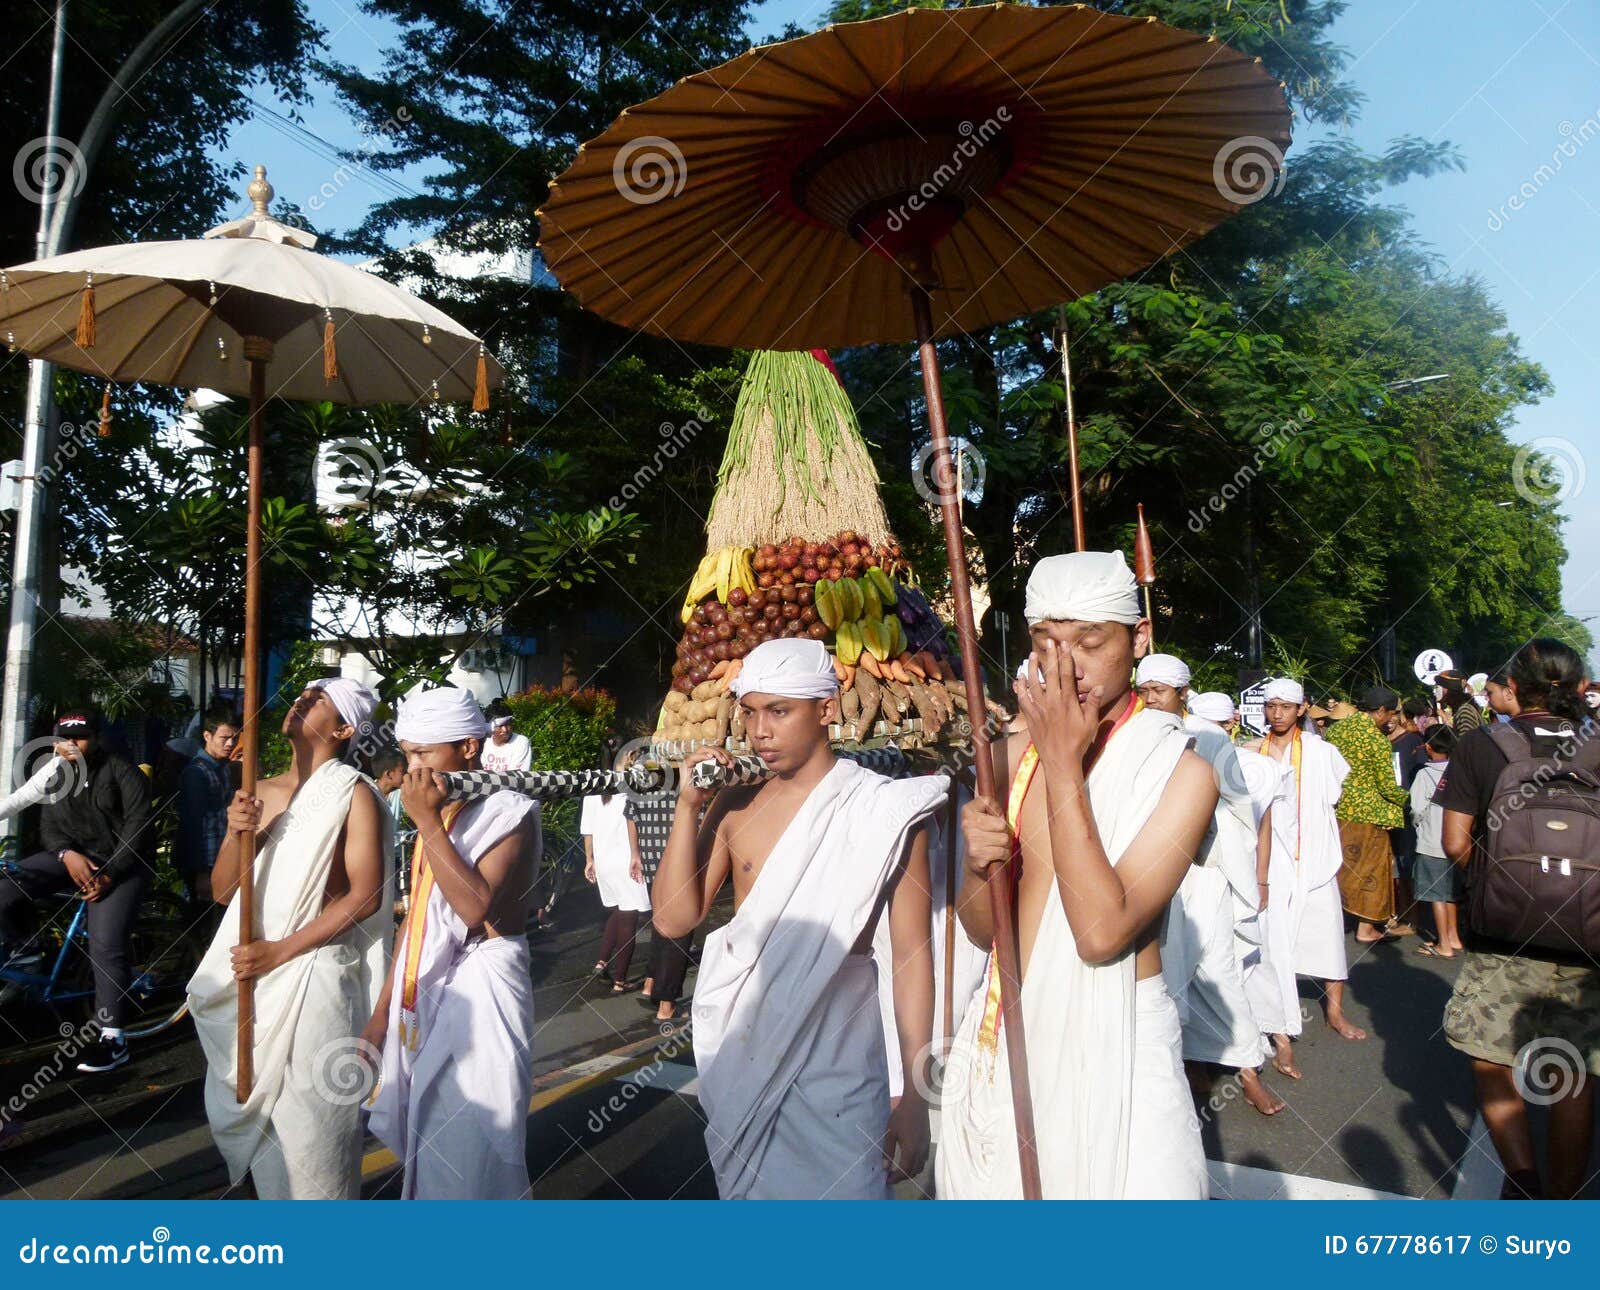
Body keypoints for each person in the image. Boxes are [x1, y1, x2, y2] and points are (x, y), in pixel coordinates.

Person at [939, 551, 1216, 1199]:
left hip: (1121, 1041)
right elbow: (986, 931)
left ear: (1139, 638)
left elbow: (1100, 932)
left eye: (1091, 641)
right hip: (1017, 1030)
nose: (1066, 664)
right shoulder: (1007, 757)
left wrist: (1063, 762)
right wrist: (976, 868)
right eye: (1045, 642)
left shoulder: (1181, 770)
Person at [653, 638, 944, 1200]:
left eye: (779, 711)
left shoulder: (885, 809)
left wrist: (915, 1093)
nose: (759, 730)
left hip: (841, 1059)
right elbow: (671, 920)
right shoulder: (734, 805)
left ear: (827, 709)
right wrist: (688, 806)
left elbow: (911, 956)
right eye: (751, 711)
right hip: (746, 1045)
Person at [187, 679, 392, 1200]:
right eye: (301, 695)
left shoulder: (355, 793)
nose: (301, 700)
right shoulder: (258, 792)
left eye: (318, 700)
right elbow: (222, 892)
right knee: (271, 1145)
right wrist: (240, 833)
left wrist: (280, 950)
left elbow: (365, 896)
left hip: (316, 974)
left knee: (315, 1139)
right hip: (257, 979)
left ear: (344, 728)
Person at [1435, 638, 1598, 1200]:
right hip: (1589, 937)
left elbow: (1454, 840)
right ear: (1580, 689)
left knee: (1489, 1052)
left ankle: (1522, 1179)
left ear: (1513, 687)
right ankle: (1563, 1203)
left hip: (1505, 930)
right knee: (1574, 1072)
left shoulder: (1485, 743)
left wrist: (1501, 884)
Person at [365, 687, 542, 1200]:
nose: (410, 768)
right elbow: (417, 917)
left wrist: (424, 821)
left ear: (469, 747)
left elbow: (473, 908)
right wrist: (382, 1012)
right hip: (429, 990)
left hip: (485, 988)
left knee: (474, 1144)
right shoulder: (439, 813)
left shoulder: (510, 810)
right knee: (431, 1142)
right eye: (407, 754)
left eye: (423, 753)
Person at [0, 711, 154, 1074]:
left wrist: (110, 873)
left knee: (105, 943)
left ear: (97, 738)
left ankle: (113, 1039)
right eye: (65, 739)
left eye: (81, 738)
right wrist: (66, 855)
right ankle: (25, 952)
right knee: (7, 886)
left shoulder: (121, 769)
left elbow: (138, 826)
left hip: (122, 865)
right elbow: (49, 829)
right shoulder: (55, 774)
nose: (73, 745)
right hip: (74, 858)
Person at [1179, 689, 1286, 1115]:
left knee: (1222, 973)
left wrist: (1258, 880)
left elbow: (1257, 823)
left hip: (1215, 882)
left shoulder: (1249, 767)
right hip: (1170, 886)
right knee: (1173, 980)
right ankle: (1190, 1065)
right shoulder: (1166, 756)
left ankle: (1247, 1071)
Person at [1248, 678, 1363, 1074]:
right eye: (1270, 706)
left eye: (1285, 706)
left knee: (1326, 929)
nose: (1276, 713)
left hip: (1313, 855)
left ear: (1302, 709)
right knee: (1270, 938)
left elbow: (1334, 795)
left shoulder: (1322, 752)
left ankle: (1335, 1012)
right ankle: (1274, 1015)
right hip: (1271, 860)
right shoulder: (1251, 751)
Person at [1325, 685, 1409, 944]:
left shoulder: (1335, 730)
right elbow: (1386, 785)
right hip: (1370, 816)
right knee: (1372, 872)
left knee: (1342, 869)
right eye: (1392, 713)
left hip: (1338, 811)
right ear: (1381, 711)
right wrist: (1408, 799)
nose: (1393, 718)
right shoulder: (1376, 739)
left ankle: (1337, 920)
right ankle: (1366, 929)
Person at [581, 757, 651, 994]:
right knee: (629, 919)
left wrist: (589, 860)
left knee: (619, 912)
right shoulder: (630, 788)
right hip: (627, 861)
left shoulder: (593, 791)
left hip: (604, 863)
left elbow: (586, 830)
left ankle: (602, 962)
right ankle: (621, 980)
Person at [628, 783, 691, 1024]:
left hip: (652, 859)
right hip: (680, 864)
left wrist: (635, 853)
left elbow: (630, 814)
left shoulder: (644, 771)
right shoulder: (689, 776)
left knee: (661, 924)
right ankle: (667, 1005)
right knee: (680, 933)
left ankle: (650, 982)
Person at [174, 706, 240, 905]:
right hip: (202, 862)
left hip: (218, 856)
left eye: (235, 738)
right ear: (207, 736)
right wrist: (200, 873)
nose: (231, 743)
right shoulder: (197, 773)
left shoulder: (222, 768)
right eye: (224, 738)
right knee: (200, 920)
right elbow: (193, 826)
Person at [1410, 726, 1461, 959]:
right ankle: (1453, 937)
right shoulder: (1459, 772)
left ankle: (1444, 945)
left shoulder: (1424, 774)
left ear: (1428, 747)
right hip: (1457, 840)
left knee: (1436, 895)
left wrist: (1416, 823)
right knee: (1450, 893)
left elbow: (1417, 809)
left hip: (1432, 842)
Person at [481, 700, 532, 774]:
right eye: (500, 726)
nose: (505, 730)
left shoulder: (520, 742)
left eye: (508, 724)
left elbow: (513, 777)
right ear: (490, 727)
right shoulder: (484, 743)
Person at [1436, 669, 1482, 737]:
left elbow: (1468, 742)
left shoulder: (1465, 710)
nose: (1435, 691)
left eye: (1438, 686)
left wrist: (1447, 722)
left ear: (1448, 688)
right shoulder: (1459, 709)